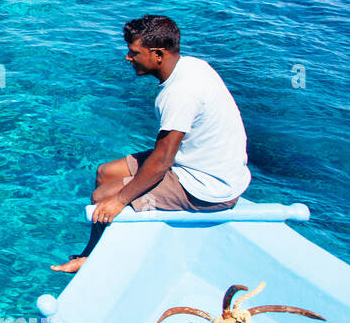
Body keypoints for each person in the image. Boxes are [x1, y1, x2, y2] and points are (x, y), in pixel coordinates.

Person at [51, 15, 251, 273]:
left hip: (207, 187)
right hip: (193, 161)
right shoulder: (191, 66)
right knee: (105, 173)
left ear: (157, 54)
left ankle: (95, 262)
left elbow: (163, 161)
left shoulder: (180, 93)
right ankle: (91, 251)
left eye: (134, 52)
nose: (128, 58)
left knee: (103, 198)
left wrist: (120, 200)